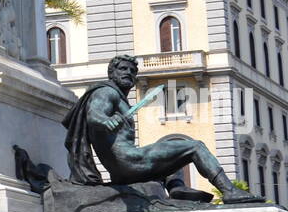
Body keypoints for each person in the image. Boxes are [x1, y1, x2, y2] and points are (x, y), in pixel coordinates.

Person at [64, 54, 262, 203]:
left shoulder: (116, 96)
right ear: (111, 73)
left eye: (132, 72)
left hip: (121, 168)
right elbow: (94, 114)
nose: (129, 74)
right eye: (123, 69)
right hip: (129, 162)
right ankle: (229, 191)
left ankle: (176, 187)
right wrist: (106, 121)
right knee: (195, 146)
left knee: (169, 143)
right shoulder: (107, 92)